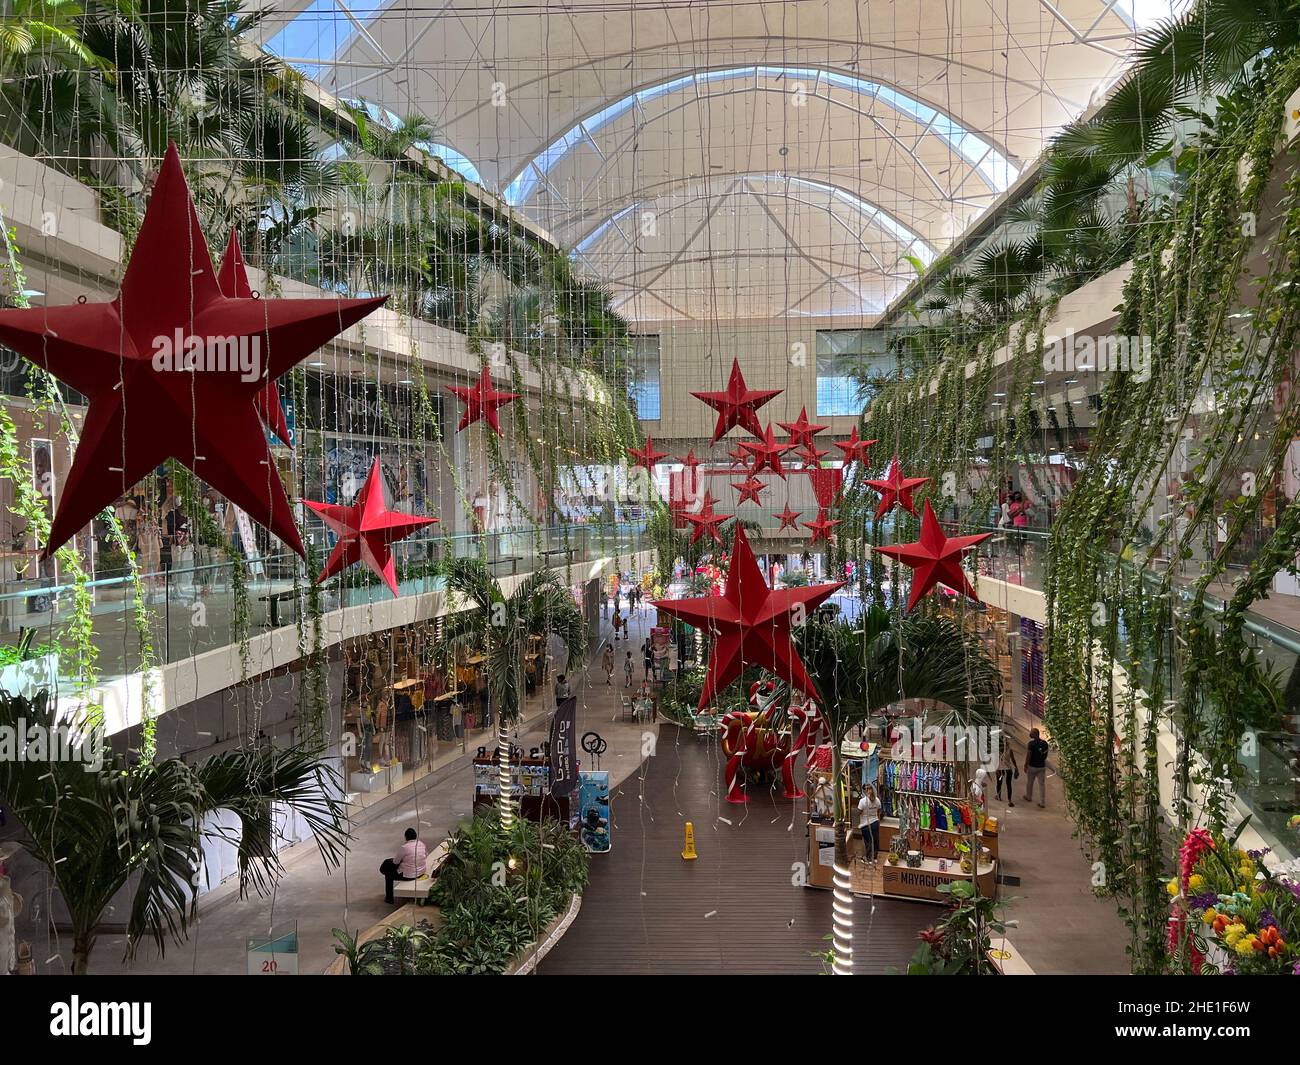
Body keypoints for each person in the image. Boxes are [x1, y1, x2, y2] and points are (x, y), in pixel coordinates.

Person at [380, 828, 427, 904]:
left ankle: (389, 898)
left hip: (409, 875)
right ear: (416, 836)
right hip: (421, 871)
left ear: (406, 837)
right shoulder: (421, 844)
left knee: (388, 874)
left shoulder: (404, 847)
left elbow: (395, 862)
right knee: (390, 863)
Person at [1023, 728, 1049, 807]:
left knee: (1030, 783)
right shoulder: (1045, 743)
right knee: (1042, 785)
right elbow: (1046, 754)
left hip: (1032, 767)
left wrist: (1025, 765)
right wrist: (1042, 760)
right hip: (1041, 767)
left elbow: (1029, 755)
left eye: (1031, 732)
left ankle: (1029, 796)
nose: (1030, 733)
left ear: (1035, 734)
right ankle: (1042, 802)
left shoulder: (1031, 744)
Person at [857, 785, 881, 862]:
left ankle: (868, 859)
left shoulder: (862, 801)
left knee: (868, 842)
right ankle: (875, 857)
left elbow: (859, 812)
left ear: (865, 791)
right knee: (875, 840)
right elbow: (879, 810)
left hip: (865, 824)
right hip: (875, 823)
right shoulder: (877, 800)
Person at [995, 735, 1018, 806]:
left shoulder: (997, 750)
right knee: (1009, 784)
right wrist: (1016, 767)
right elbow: (1013, 759)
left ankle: (998, 796)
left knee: (999, 783)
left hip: (1000, 769)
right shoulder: (1009, 750)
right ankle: (1009, 799)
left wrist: (996, 769)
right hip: (1008, 769)